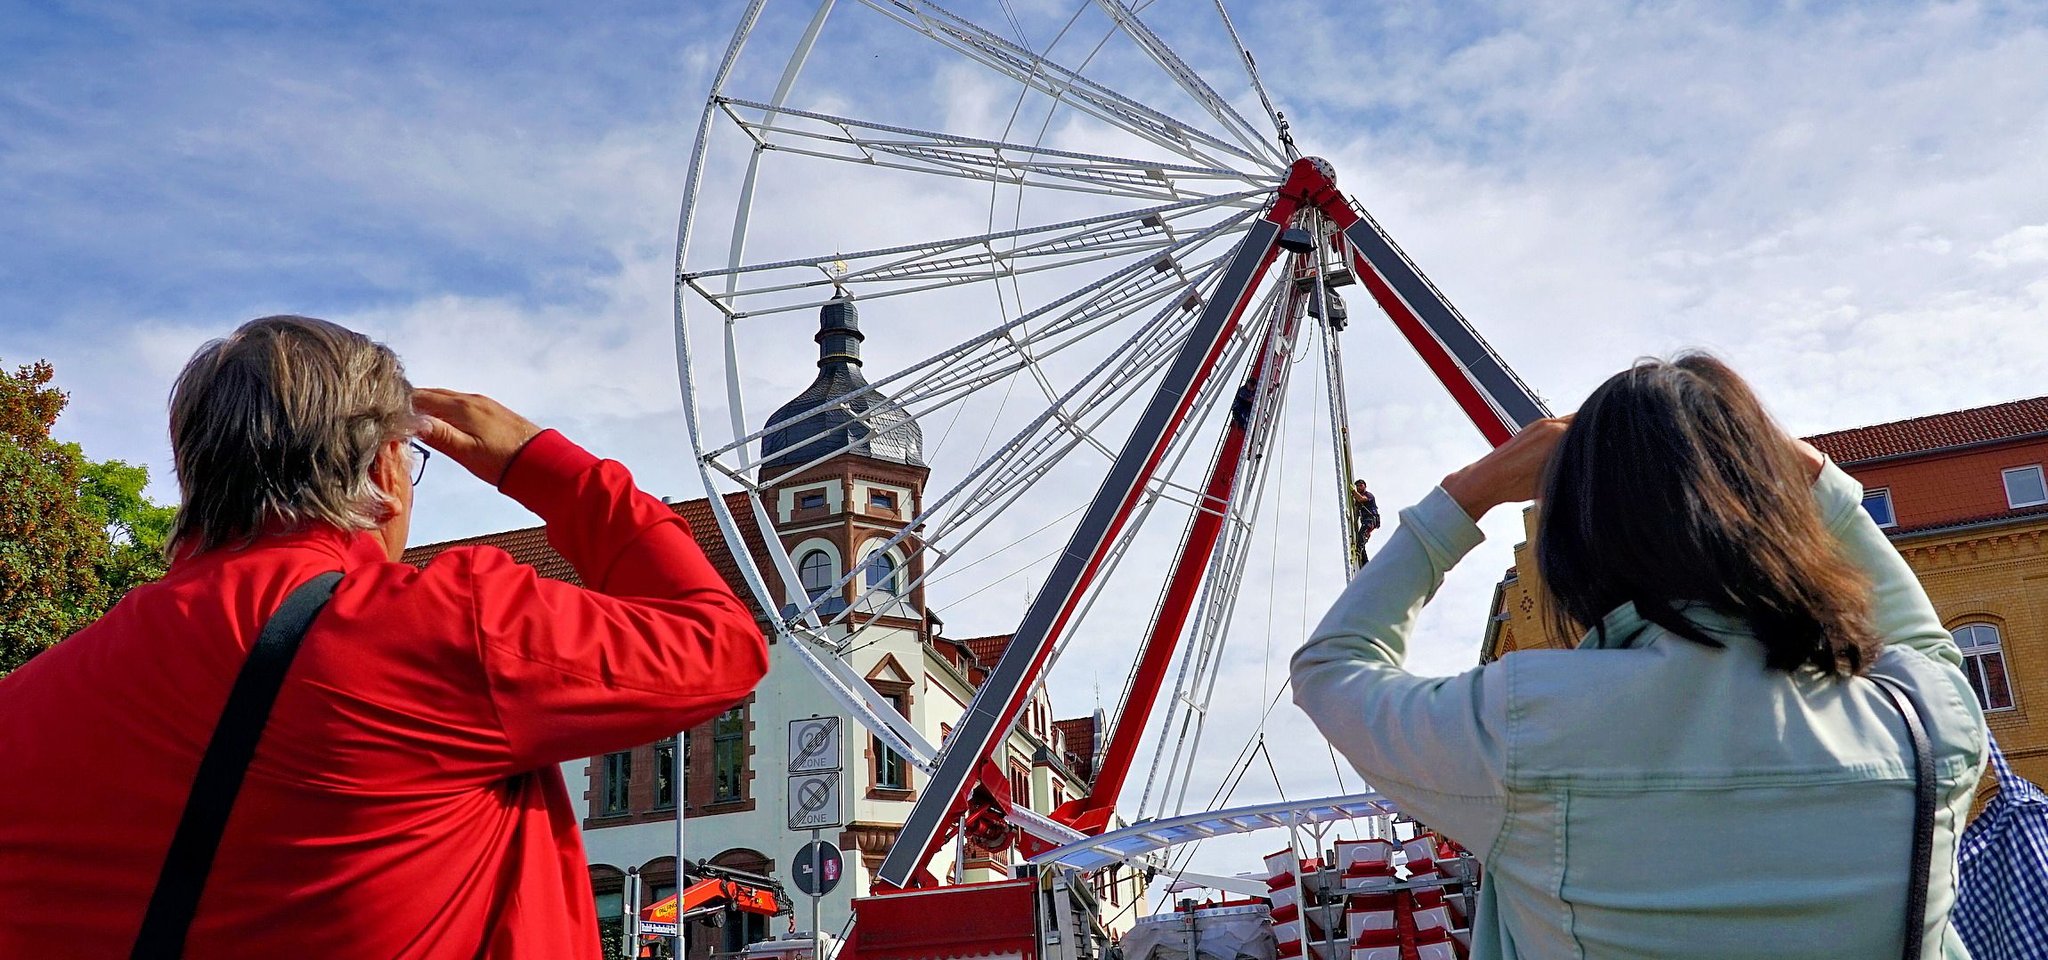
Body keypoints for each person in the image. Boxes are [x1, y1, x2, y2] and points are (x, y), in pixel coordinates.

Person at [0, 316, 770, 958]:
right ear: (386, 468)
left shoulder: (27, 703)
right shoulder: (444, 627)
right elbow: (722, 643)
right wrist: (547, 468)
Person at [1292, 354, 1987, 960]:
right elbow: (1926, 647)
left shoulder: (1523, 727)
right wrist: (1810, 480)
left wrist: (1467, 494)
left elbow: (1332, 668)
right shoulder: (1924, 724)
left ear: (1575, 544)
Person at [1351, 478, 1381, 566]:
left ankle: (1358, 551)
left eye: (1361, 485)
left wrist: (1353, 491)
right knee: (1362, 538)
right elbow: (1357, 510)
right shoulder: (1358, 500)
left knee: (1361, 534)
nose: (1359, 487)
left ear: (1365, 486)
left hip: (1371, 519)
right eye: (1357, 486)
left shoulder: (1368, 495)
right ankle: (1364, 561)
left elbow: (1361, 499)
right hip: (1366, 521)